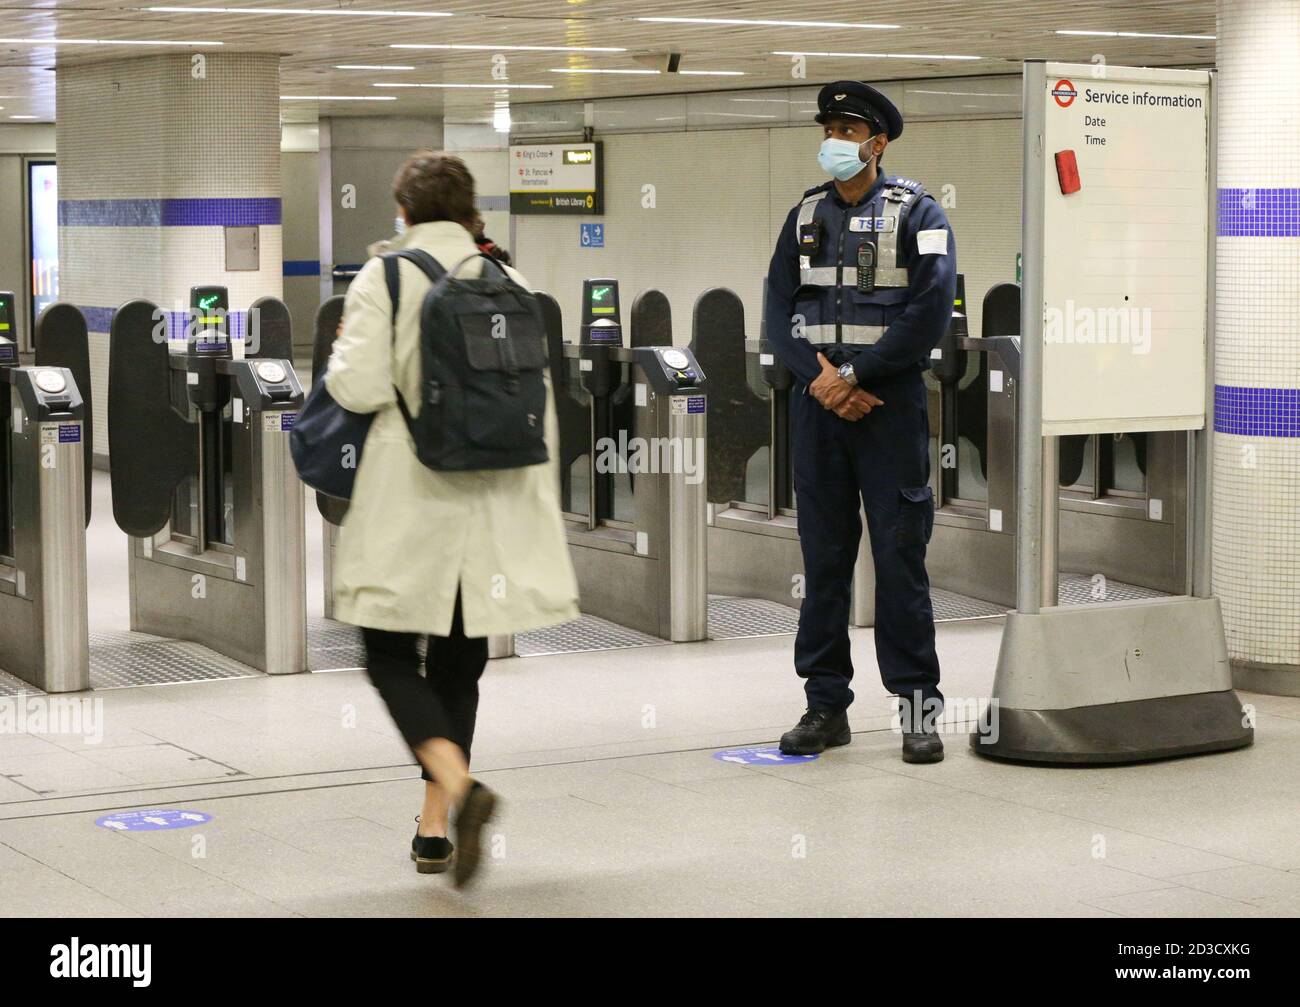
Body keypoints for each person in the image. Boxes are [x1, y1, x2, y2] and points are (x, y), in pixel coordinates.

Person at [325, 151, 580, 885]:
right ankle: (434, 827)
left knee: (389, 654)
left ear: (403, 214)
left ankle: (461, 791)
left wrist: (348, 350)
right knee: (461, 664)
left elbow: (360, 383)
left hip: (415, 494)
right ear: (474, 214)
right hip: (494, 500)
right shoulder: (510, 279)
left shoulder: (388, 275)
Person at [764, 81, 957, 764]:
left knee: (900, 560)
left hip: (887, 407)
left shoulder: (921, 212)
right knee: (824, 562)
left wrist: (857, 375)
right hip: (819, 410)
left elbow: (930, 311)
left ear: (878, 143)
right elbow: (776, 310)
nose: (835, 141)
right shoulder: (804, 215)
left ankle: (916, 709)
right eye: (830, 129)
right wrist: (822, 379)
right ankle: (825, 705)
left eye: (849, 130)